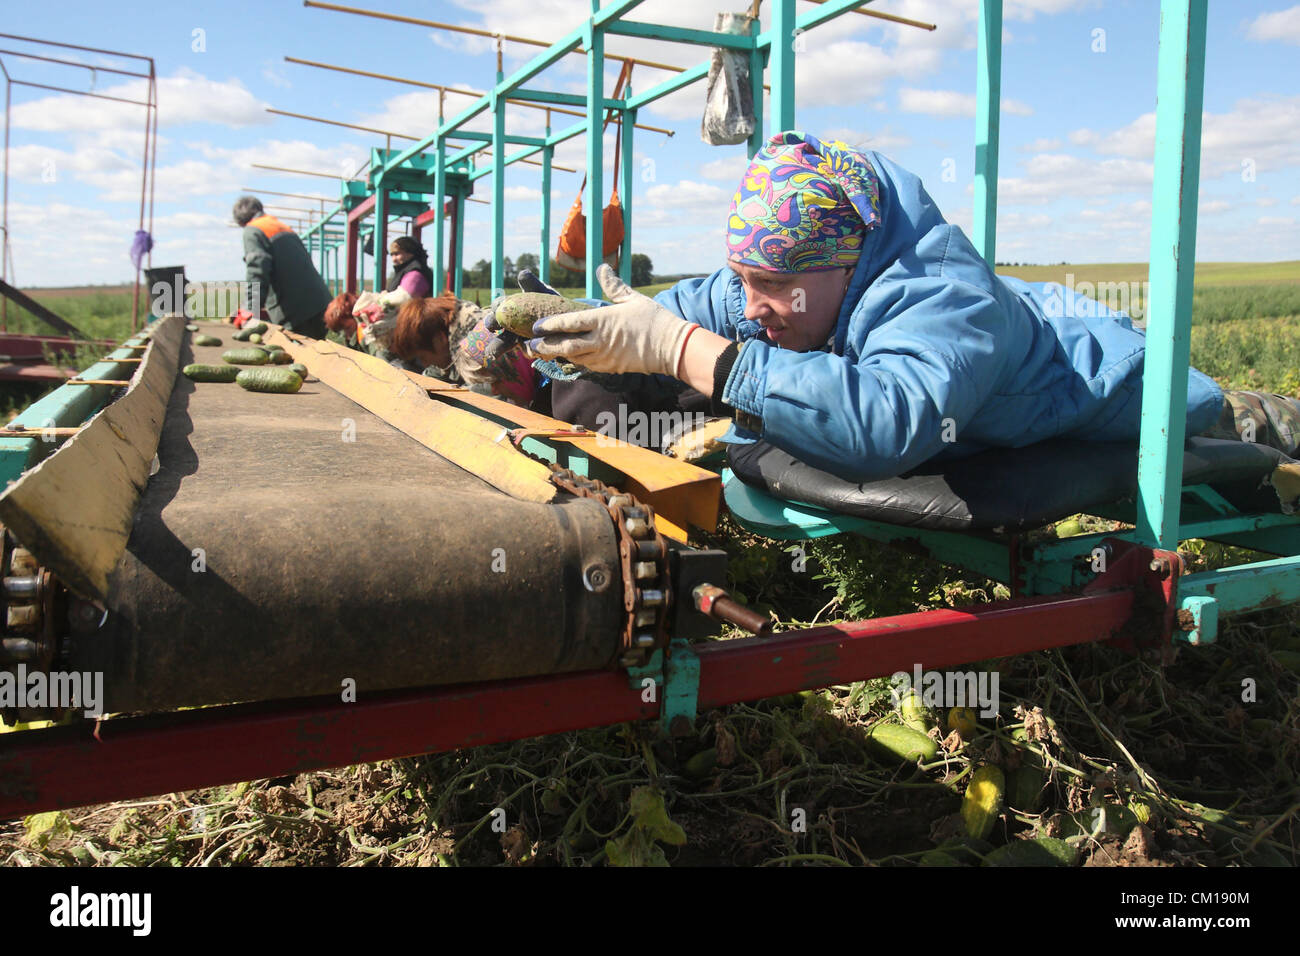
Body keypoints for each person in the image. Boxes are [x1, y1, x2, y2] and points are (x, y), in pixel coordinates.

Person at [530, 132, 1300, 482]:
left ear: (849, 262)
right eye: (745, 278)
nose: (752, 305)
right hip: (1018, 334)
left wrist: (683, 351)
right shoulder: (782, 282)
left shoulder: (940, 294)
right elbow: (699, 306)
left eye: (774, 286)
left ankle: (1268, 417)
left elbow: (890, 424)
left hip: (1108, 377)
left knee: (1224, 416)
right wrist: (544, 335)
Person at [232, 196, 331, 338]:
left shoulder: (253, 230)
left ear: (241, 221)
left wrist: (250, 308)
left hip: (296, 310)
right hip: (319, 303)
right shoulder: (280, 225)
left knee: (300, 353)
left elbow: (257, 268)